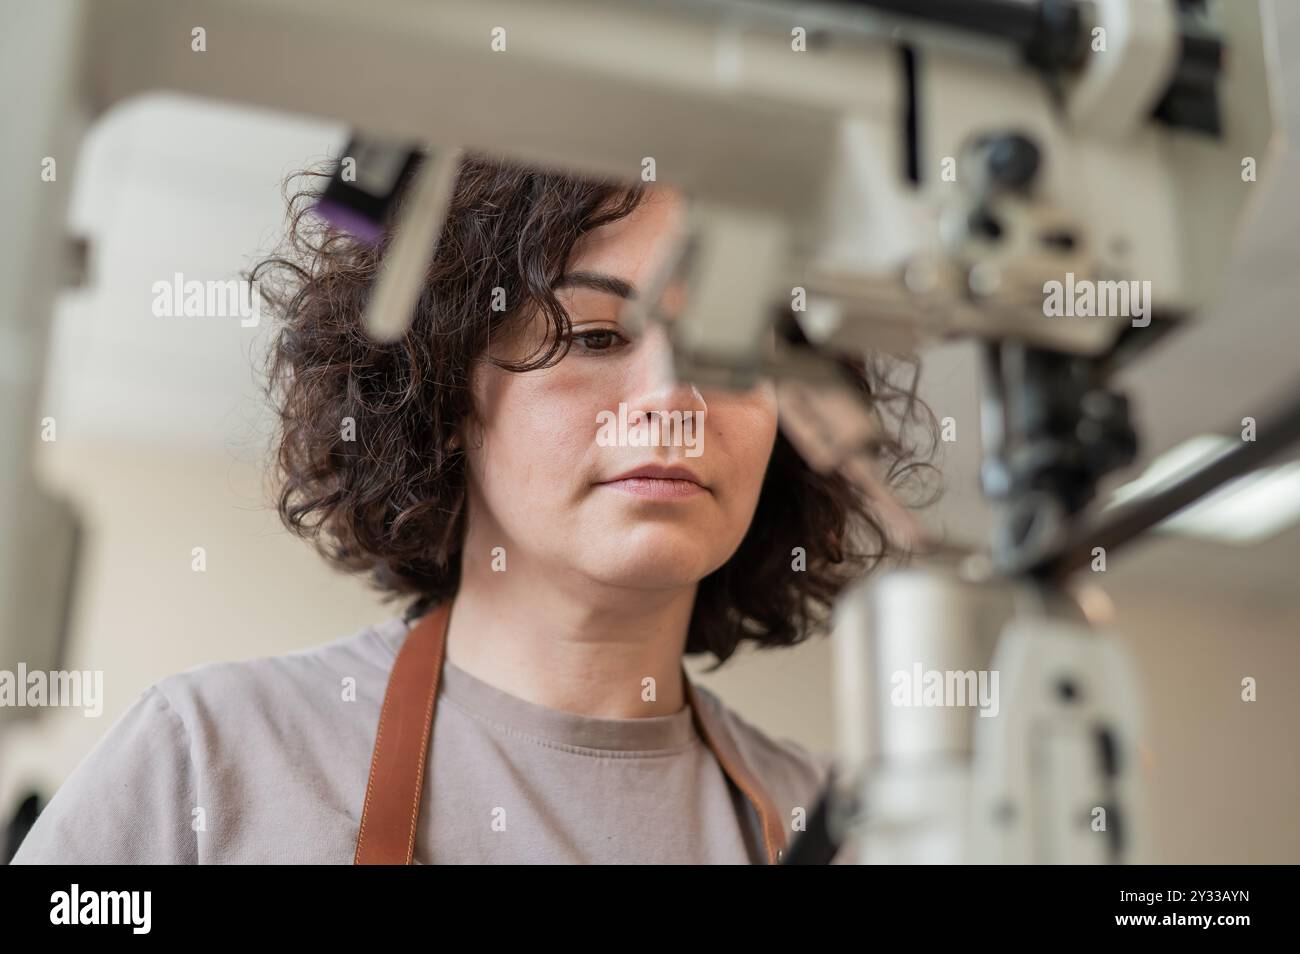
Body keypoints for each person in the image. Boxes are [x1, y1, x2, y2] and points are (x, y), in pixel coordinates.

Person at [12, 151, 933, 864]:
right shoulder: (206, 762)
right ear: (447, 394)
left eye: (734, 355)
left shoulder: (862, 834)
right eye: (595, 334)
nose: (677, 405)